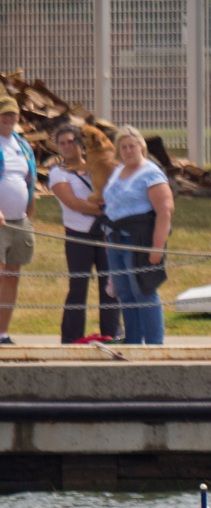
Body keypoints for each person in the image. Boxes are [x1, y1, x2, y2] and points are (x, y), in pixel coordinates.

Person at [48, 124, 121, 343]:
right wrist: (104, 209)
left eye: (71, 141)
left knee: (110, 287)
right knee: (78, 287)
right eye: (62, 143)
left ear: (81, 143)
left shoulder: (101, 162)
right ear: (58, 148)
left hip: (105, 233)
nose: (68, 146)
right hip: (78, 234)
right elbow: (72, 203)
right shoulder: (58, 172)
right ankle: (71, 338)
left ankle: (111, 334)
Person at [101, 125, 172, 346]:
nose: (128, 150)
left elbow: (164, 211)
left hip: (139, 240)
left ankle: (154, 345)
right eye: (123, 147)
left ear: (142, 146)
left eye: (132, 146)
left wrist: (157, 247)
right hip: (116, 239)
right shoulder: (117, 171)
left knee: (144, 291)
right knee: (125, 293)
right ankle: (132, 342)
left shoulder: (150, 173)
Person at [0, 94, 38, 346]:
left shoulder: (23, 146)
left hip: (19, 221)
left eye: (13, 114)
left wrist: (30, 217)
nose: (9, 118)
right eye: (4, 113)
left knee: (12, 275)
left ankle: (2, 333)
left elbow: (30, 181)